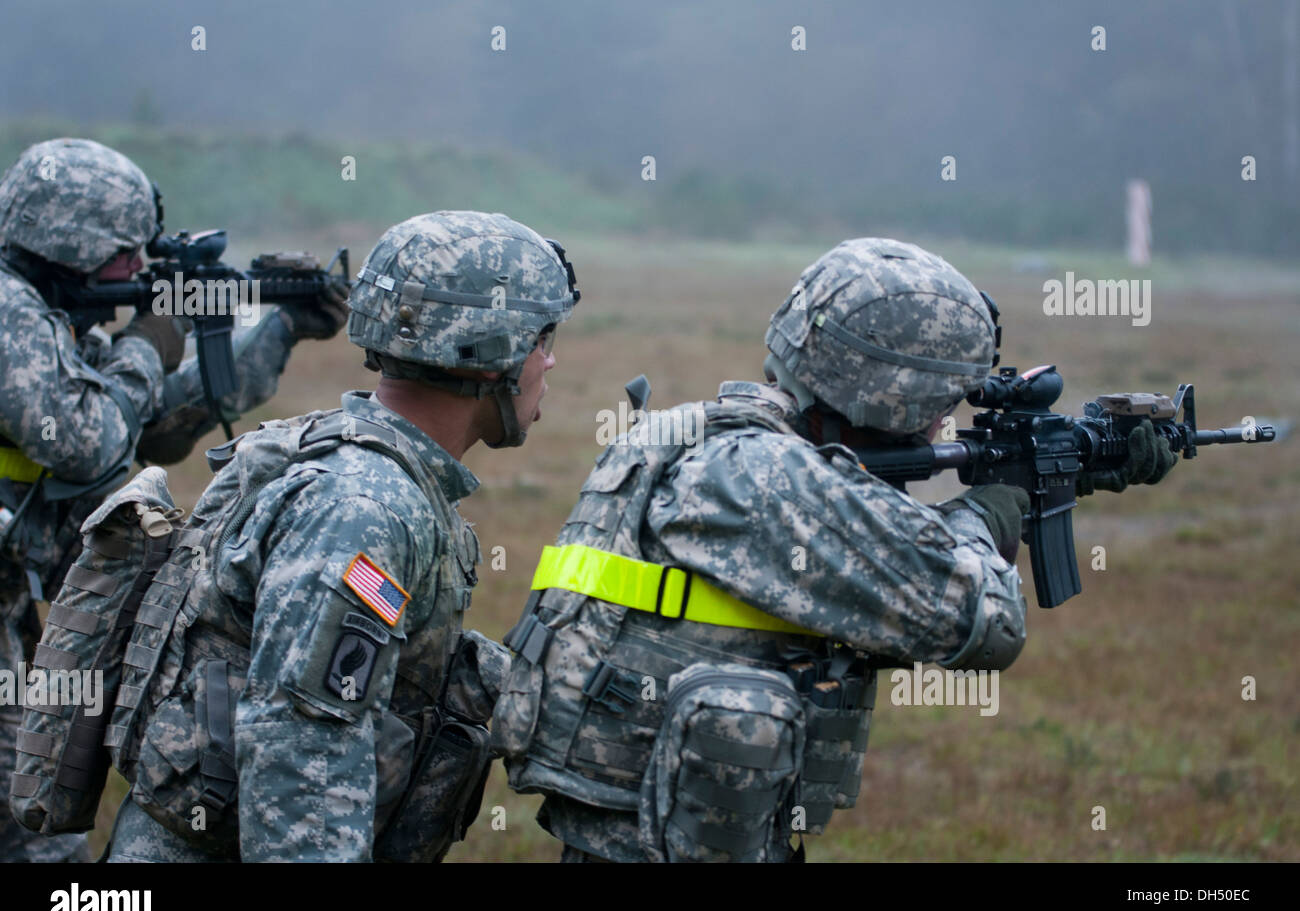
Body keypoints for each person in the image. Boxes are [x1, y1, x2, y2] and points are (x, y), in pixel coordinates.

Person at [492, 236, 1175, 862]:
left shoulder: (701, 436)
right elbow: (984, 619)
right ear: (891, 395)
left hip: (650, 825)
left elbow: (858, 541)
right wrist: (994, 507)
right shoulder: (769, 482)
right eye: (942, 403)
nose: (946, 423)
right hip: (660, 838)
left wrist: (1072, 464)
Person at [105, 210, 578, 862]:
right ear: (488, 351)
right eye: (541, 337)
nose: (549, 360)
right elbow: (303, 750)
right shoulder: (362, 508)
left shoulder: (376, 473)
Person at [0, 138, 347, 863]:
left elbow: (157, 426)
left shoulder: (60, 317)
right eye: (126, 251)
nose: (136, 267)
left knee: (32, 804)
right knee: (24, 818)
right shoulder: (9, 314)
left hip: (19, 589)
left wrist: (278, 324)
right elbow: (87, 436)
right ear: (73, 240)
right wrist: (153, 337)